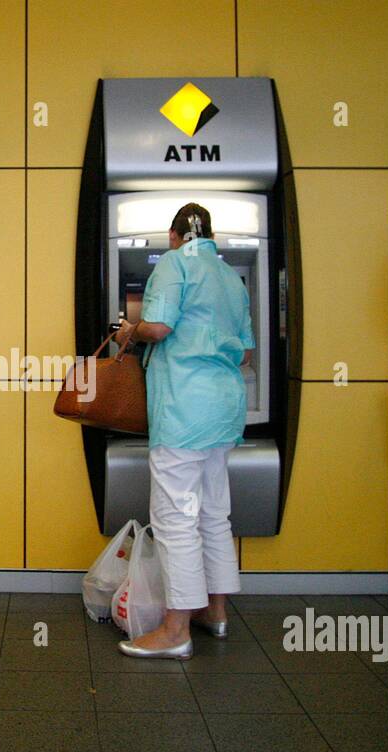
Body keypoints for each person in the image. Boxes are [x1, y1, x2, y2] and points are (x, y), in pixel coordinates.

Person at [112, 203, 255, 659]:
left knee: (176, 519)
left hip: (183, 407)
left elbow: (160, 326)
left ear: (174, 236)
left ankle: (175, 631)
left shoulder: (175, 263)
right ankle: (215, 611)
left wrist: (129, 330)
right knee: (213, 513)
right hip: (224, 410)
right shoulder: (231, 276)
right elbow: (247, 354)